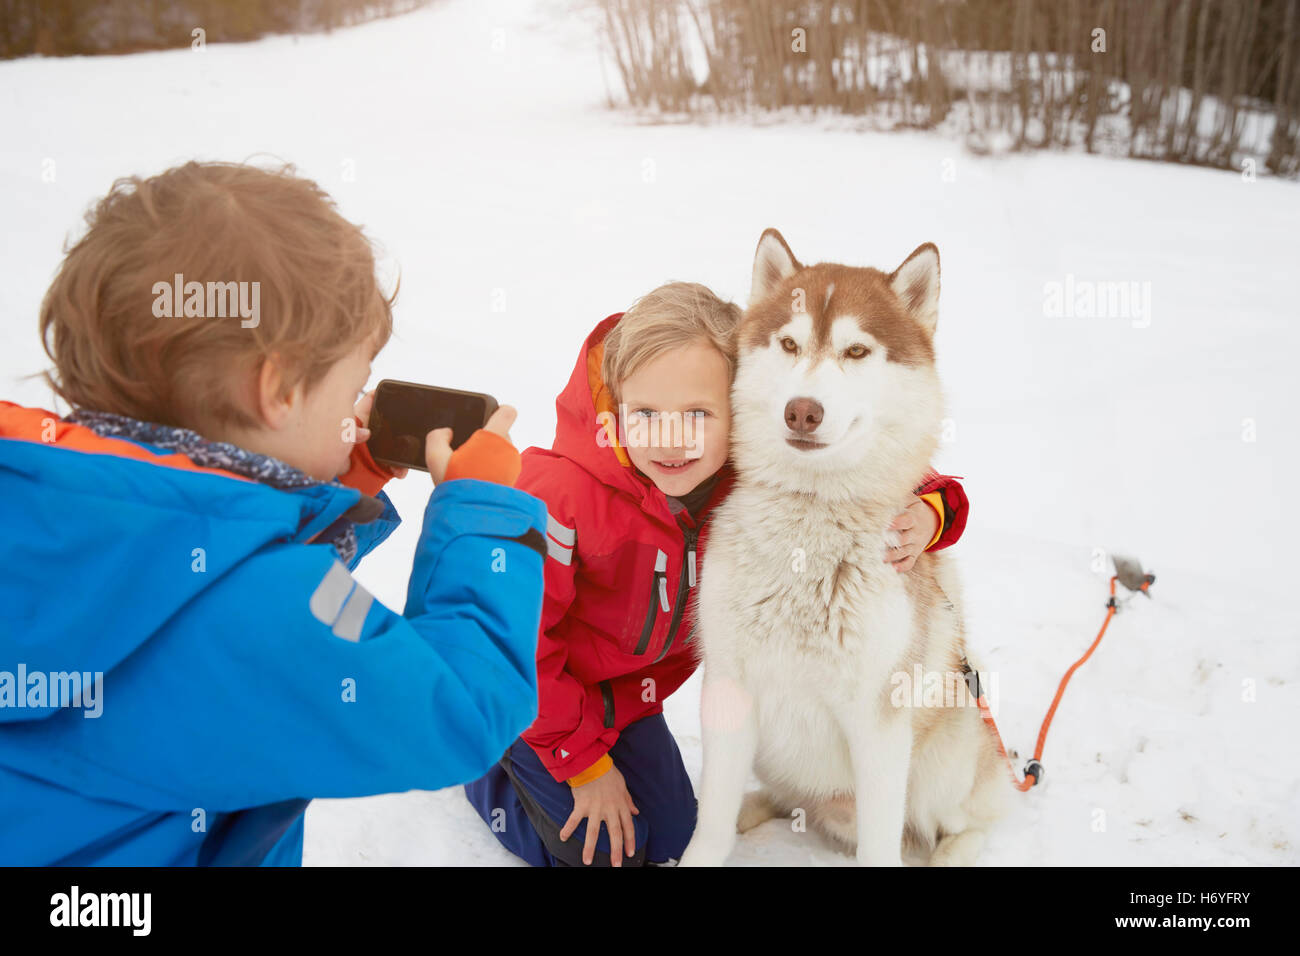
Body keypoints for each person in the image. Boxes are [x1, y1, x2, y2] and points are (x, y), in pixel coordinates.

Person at [0, 160, 547, 865]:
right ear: (279, 388)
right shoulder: (249, 604)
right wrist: (483, 516)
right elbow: (458, 713)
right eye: (350, 384)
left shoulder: (49, 506)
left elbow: (201, 561)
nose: (358, 406)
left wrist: (326, 484)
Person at [464, 282, 969, 866]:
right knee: (601, 856)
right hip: (525, 691)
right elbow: (518, 648)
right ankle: (477, 750)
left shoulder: (734, 473)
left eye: (698, 414)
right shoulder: (560, 497)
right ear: (614, 405)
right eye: (646, 414)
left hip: (623, 702)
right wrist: (582, 765)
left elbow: (879, 461)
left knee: (673, 837)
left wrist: (933, 509)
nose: (672, 439)